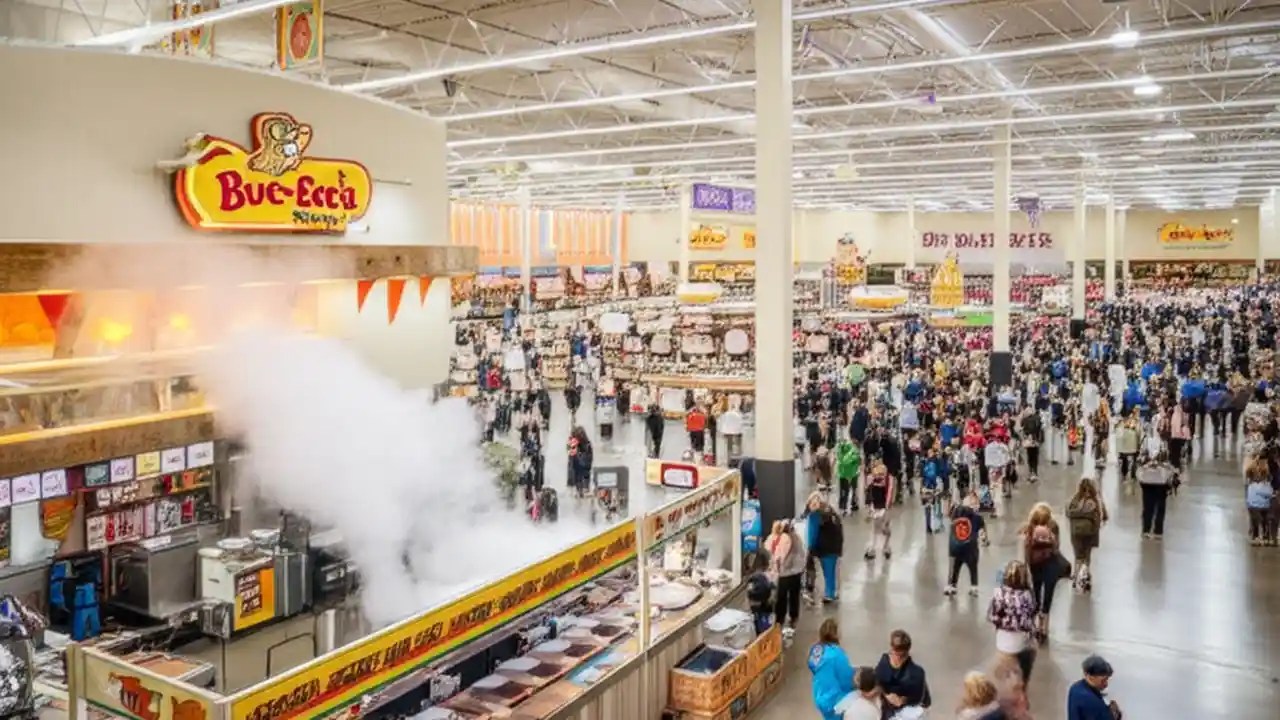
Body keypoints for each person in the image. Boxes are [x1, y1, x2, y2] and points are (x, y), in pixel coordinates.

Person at [987, 561, 1037, 685]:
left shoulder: (999, 593)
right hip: (1020, 637)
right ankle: (1022, 682)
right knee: (1027, 656)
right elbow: (1030, 615)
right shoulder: (1027, 595)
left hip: (1002, 637)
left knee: (1003, 666)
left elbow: (992, 615)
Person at [1021, 502, 1064, 643]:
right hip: (1050, 564)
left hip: (1035, 565)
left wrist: (1026, 565)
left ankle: (1033, 624)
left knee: (1036, 592)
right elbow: (1057, 547)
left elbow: (1026, 549)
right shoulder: (1053, 526)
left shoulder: (1030, 527)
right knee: (1048, 595)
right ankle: (1044, 627)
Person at [873, 629, 931, 718]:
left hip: (907, 708)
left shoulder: (916, 673)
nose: (896, 658)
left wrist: (902, 700)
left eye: (901, 655)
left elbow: (918, 698)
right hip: (887, 703)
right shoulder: (884, 662)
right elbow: (876, 682)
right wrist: (886, 696)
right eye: (894, 654)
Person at [1065, 476, 1107, 591]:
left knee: (1078, 556)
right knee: (1086, 557)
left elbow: (1068, 512)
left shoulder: (1074, 500)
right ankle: (1085, 579)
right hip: (1090, 532)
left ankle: (1076, 578)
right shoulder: (1095, 500)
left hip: (1076, 531)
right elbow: (1104, 515)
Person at [766, 519, 806, 641]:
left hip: (785, 573)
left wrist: (777, 569)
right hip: (796, 572)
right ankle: (794, 616)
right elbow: (802, 554)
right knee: (794, 595)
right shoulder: (796, 538)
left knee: (781, 597)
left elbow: (777, 556)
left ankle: (780, 619)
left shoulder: (782, 539)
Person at [807, 619, 855, 720]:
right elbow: (846, 680)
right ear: (836, 634)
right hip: (835, 698)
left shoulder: (816, 649)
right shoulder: (837, 654)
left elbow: (812, 666)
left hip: (820, 694)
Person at [945, 493, 987, 597]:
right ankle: (974, 587)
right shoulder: (978, 518)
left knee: (954, 567)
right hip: (971, 547)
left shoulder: (955, 513)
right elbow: (982, 533)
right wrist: (984, 540)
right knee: (973, 568)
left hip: (955, 547)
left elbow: (948, 515)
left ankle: (952, 586)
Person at [1066, 655, 1122, 720]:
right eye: (1103, 680)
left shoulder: (1075, 688)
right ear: (1090, 676)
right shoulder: (1092, 701)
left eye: (1107, 679)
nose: (1106, 684)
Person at [1136, 450, 1173, 539]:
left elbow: (1139, 463)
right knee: (1159, 507)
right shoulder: (1164, 444)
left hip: (1148, 481)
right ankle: (1157, 530)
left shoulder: (1146, 442)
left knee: (1149, 507)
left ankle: (1147, 530)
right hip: (1160, 481)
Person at [864, 459, 895, 560]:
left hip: (884, 507)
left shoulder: (889, 479)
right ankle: (872, 549)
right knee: (874, 528)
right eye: (876, 473)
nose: (878, 476)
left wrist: (887, 506)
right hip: (875, 506)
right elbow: (868, 492)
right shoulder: (871, 478)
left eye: (881, 474)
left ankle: (886, 547)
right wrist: (869, 506)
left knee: (884, 528)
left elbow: (890, 492)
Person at [1246, 461, 1277, 546]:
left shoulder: (1250, 485)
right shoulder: (1265, 485)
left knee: (1255, 522)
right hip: (1263, 507)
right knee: (1265, 521)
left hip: (1252, 507)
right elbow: (1270, 493)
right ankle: (1266, 536)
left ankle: (1255, 536)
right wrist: (1273, 494)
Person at [836, 438, 862, 515]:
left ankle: (843, 506)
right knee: (853, 489)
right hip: (853, 474)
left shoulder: (841, 449)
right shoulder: (855, 452)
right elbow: (858, 462)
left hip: (843, 474)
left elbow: (840, 460)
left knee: (844, 491)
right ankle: (853, 504)